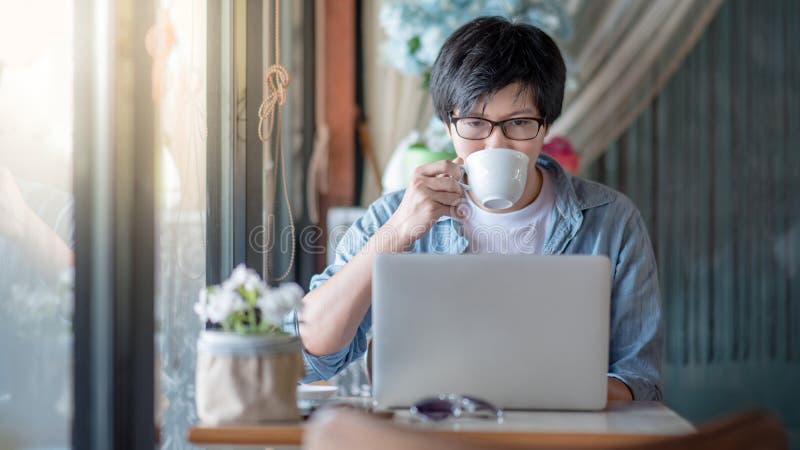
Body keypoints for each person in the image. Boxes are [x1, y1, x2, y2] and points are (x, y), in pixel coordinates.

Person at [298, 16, 662, 401]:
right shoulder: (394, 212)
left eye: (519, 123)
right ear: (447, 124)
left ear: (547, 124)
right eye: (474, 123)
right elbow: (311, 357)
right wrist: (397, 233)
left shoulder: (611, 219)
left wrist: (527, 392)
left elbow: (641, 381)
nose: (496, 146)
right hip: (431, 434)